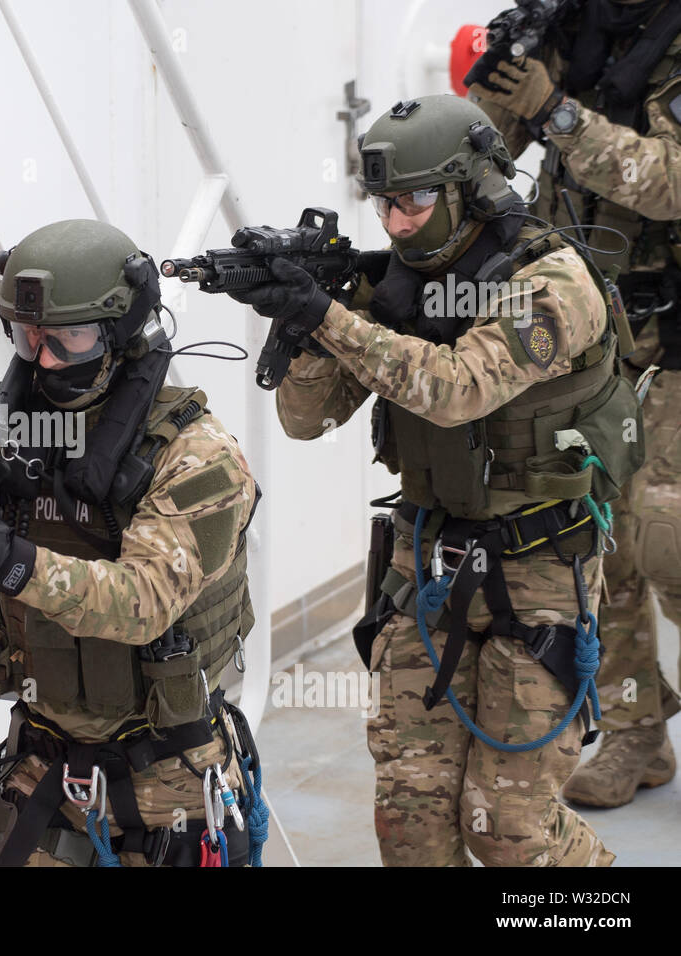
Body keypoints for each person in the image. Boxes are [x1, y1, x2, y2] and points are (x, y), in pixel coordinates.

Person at [252, 94, 639, 865]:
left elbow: (456, 386)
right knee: (413, 825)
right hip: (422, 570)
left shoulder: (553, 283)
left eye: (415, 201)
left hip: (542, 577)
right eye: (386, 205)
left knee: (510, 831)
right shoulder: (398, 285)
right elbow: (305, 417)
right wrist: (303, 327)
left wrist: (330, 317)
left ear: (475, 189)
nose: (397, 224)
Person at [0, 219, 264, 867]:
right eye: (28, 339)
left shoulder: (199, 458)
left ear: (120, 336)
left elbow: (139, 603)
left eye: (70, 339)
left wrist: (9, 560)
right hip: (43, 767)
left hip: (168, 788)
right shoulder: (8, 425)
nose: (45, 360)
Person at [468, 0, 681, 808]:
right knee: (600, 541)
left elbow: (668, 184)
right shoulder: (566, 26)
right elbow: (476, 161)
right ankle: (635, 733)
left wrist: (555, 110)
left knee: (664, 535)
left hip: (672, 330)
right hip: (587, 328)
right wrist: (490, 96)